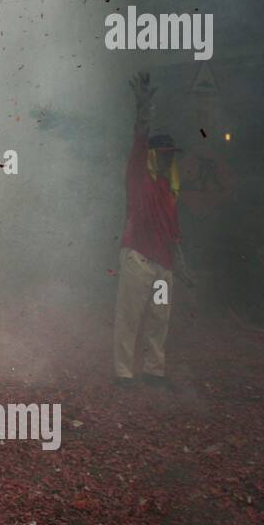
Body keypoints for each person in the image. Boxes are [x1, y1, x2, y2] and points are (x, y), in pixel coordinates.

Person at [113, 72, 193, 387]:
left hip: (163, 262)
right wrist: (143, 111)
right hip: (138, 256)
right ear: (152, 155)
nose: (166, 159)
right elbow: (138, 141)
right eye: (162, 154)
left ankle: (153, 370)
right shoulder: (138, 177)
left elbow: (175, 234)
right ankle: (122, 372)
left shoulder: (170, 189)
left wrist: (183, 267)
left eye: (170, 156)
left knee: (159, 319)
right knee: (129, 315)